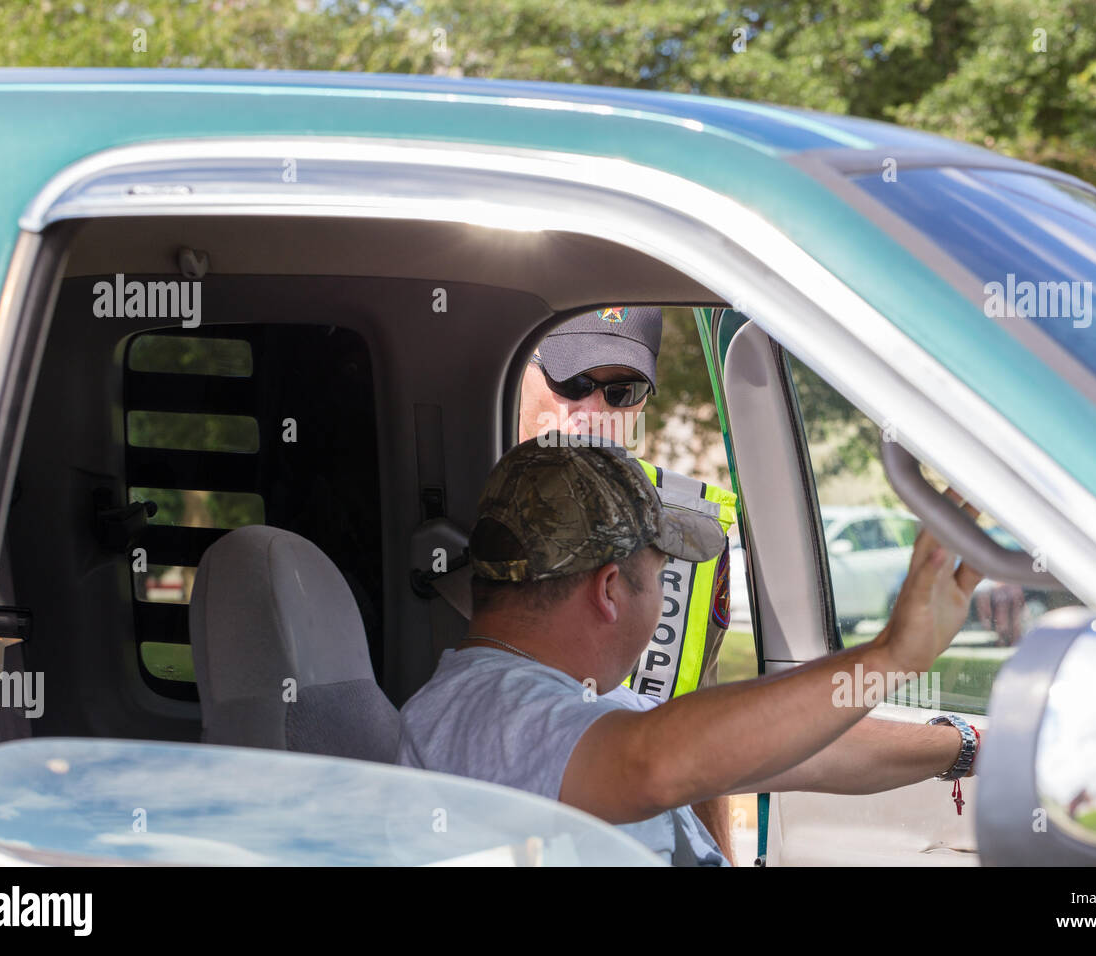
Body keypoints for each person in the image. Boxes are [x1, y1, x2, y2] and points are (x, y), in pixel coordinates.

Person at [397, 439, 985, 866]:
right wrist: (890, 657)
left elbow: (801, 752)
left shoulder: (572, 706)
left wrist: (971, 746)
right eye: (659, 575)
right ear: (608, 590)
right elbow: (657, 763)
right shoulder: (481, 711)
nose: (662, 599)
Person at [517, 306, 742, 855]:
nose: (595, 412)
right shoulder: (454, 506)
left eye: (622, 393)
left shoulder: (691, 530)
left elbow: (700, 744)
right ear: (519, 368)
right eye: (573, 384)